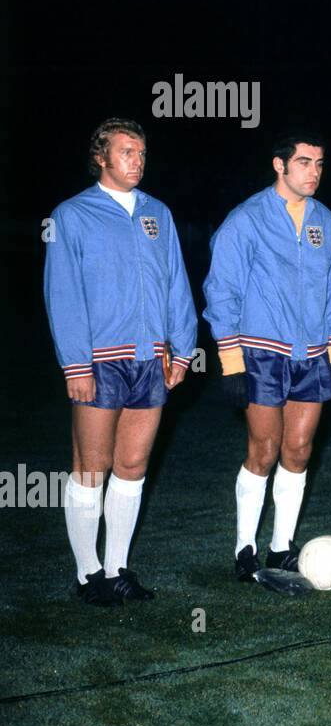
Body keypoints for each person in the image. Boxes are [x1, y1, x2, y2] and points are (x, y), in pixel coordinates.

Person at [44, 118, 197, 604]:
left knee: (132, 464)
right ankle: (88, 574)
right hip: (99, 360)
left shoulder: (159, 214)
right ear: (101, 157)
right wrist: (76, 364)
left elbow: (177, 283)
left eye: (142, 153)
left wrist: (183, 347)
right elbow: (62, 292)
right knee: (92, 467)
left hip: (151, 357)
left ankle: (117, 569)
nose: (137, 161)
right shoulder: (71, 215)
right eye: (127, 152)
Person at [204, 131, 331, 582]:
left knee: (299, 450)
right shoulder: (246, 219)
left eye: (320, 163)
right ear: (279, 165)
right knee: (263, 450)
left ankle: (281, 546)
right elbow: (221, 290)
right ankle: (244, 547)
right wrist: (230, 361)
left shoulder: (326, 222)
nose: (314, 172)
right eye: (304, 162)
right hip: (262, 353)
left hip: (312, 355)